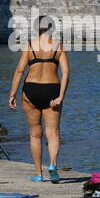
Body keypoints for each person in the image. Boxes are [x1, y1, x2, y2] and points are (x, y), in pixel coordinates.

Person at [7, 15, 69, 182]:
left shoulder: (30, 46)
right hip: (52, 89)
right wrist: (61, 96)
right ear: (51, 27)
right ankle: (53, 165)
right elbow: (66, 73)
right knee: (53, 132)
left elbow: (19, 71)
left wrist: (12, 94)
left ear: (37, 28)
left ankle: (38, 173)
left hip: (31, 89)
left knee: (35, 134)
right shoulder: (58, 47)